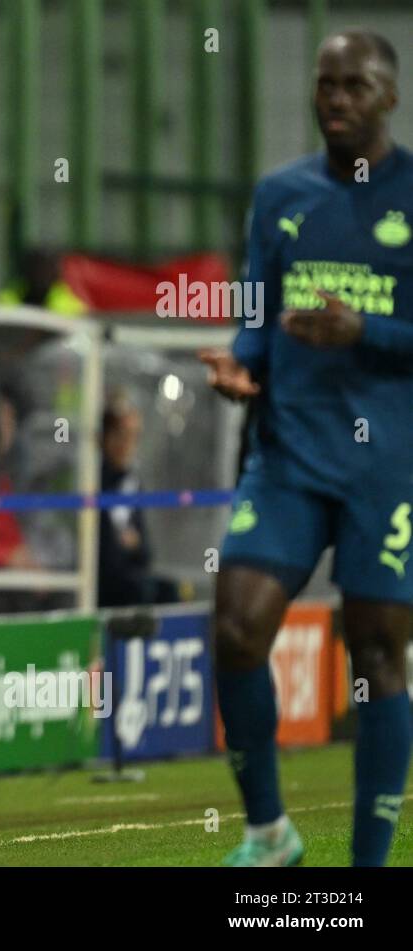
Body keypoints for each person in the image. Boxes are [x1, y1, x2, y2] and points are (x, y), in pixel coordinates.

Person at [198, 30, 413, 867]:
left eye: (355, 85)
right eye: (326, 84)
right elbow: (257, 316)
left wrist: (368, 330)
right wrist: (241, 366)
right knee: (237, 630)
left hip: (387, 465)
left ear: (389, 95)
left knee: (377, 650)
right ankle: (268, 833)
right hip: (288, 453)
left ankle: (366, 871)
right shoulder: (279, 194)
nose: (336, 99)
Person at [96, 393, 177, 608]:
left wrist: (134, 545)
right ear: (105, 437)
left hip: (130, 576)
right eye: (121, 435)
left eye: (133, 436)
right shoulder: (93, 481)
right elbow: (103, 552)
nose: (127, 444)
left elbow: (145, 551)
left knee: (170, 590)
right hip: (103, 581)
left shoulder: (132, 484)